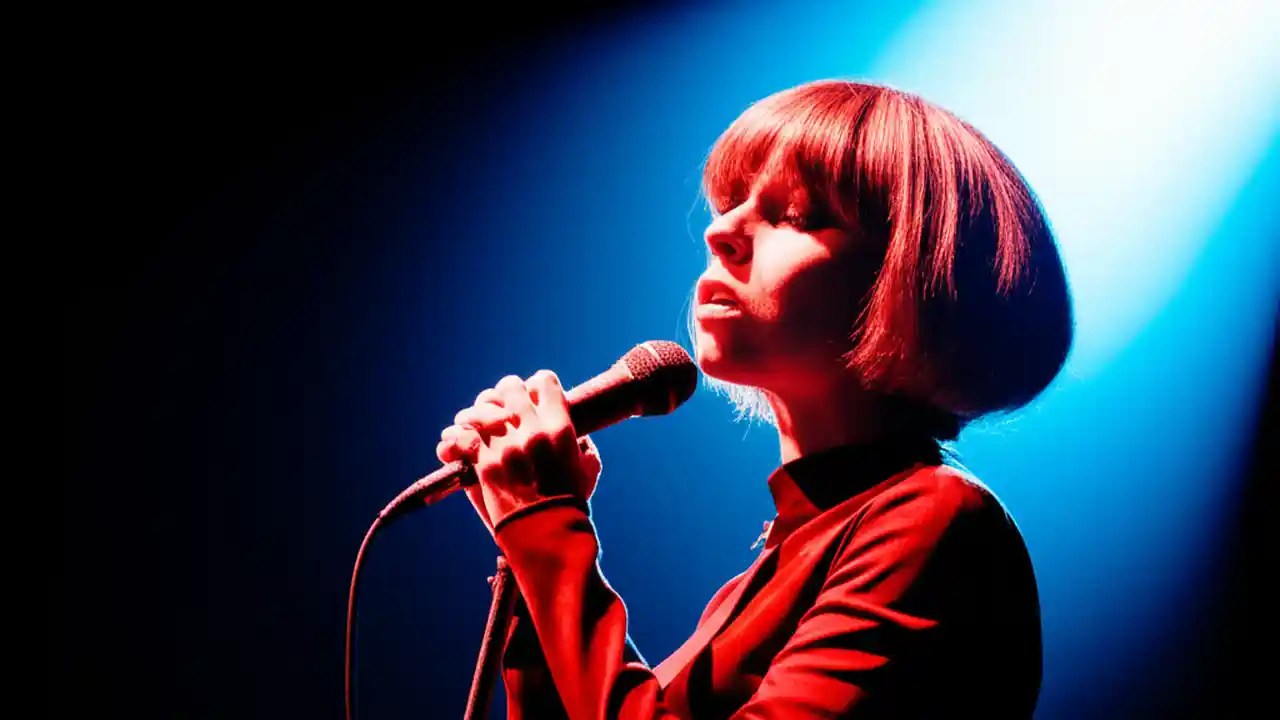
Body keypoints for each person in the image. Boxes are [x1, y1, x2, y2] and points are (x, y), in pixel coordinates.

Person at [435, 79, 1073, 719]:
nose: (721, 233)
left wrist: (550, 533)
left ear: (911, 280)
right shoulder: (761, 580)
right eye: (730, 202)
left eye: (795, 215)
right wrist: (530, 544)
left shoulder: (932, 522)